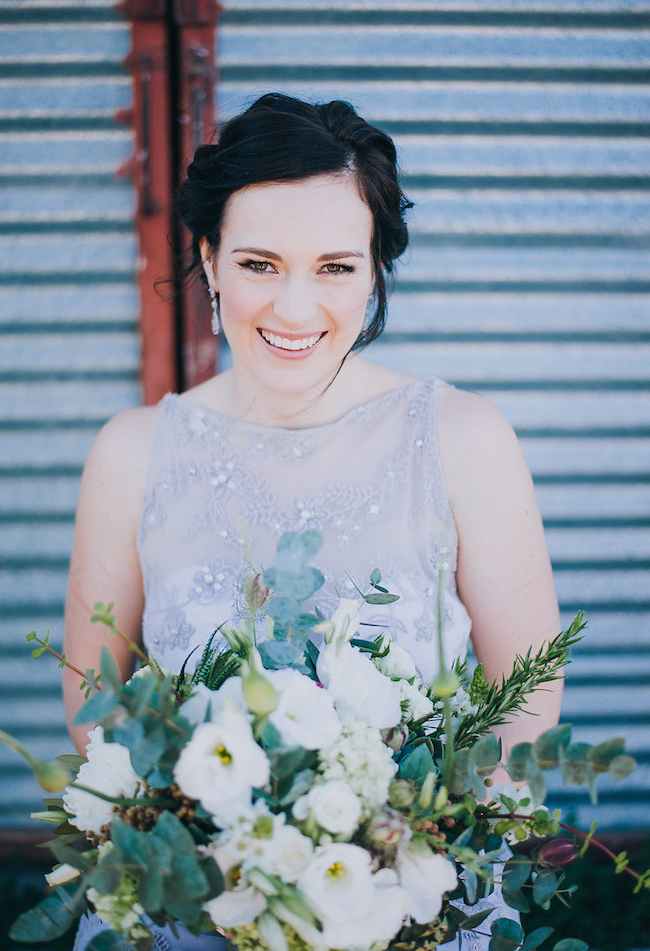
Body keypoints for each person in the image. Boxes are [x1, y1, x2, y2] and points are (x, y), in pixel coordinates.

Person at [64, 93, 562, 951]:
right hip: (195, 905)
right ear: (210, 260)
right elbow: (95, 701)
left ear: (374, 273)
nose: (295, 309)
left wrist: (417, 869)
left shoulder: (465, 439)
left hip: (414, 903)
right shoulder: (130, 453)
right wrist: (210, 862)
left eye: (335, 266)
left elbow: (528, 695)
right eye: (260, 263)